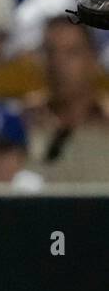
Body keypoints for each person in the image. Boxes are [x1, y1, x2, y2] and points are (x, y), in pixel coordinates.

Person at [23, 17, 109, 183]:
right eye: (50, 52)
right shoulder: (24, 123)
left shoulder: (105, 121)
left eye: (71, 53)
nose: (58, 63)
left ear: (93, 59)